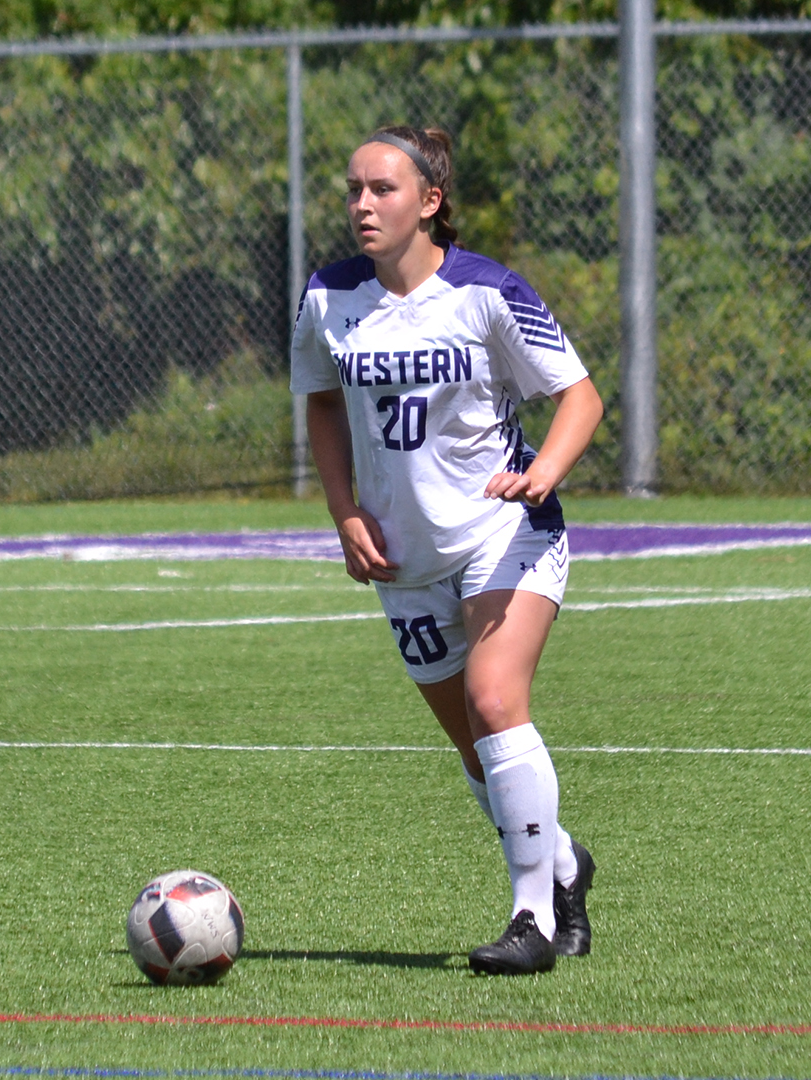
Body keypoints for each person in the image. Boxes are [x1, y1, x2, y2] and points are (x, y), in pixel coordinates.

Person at [289, 126, 605, 976]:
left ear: (429, 201)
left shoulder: (486, 291)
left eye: (382, 189)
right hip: (404, 558)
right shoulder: (328, 296)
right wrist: (342, 509)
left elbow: (579, 398)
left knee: (496, 701)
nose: (361, 203)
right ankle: (565, 864)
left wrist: (541, 472)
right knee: (475, 749)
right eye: (353, 188)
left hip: (506, 532)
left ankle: (531, 920)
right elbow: (320, 400)